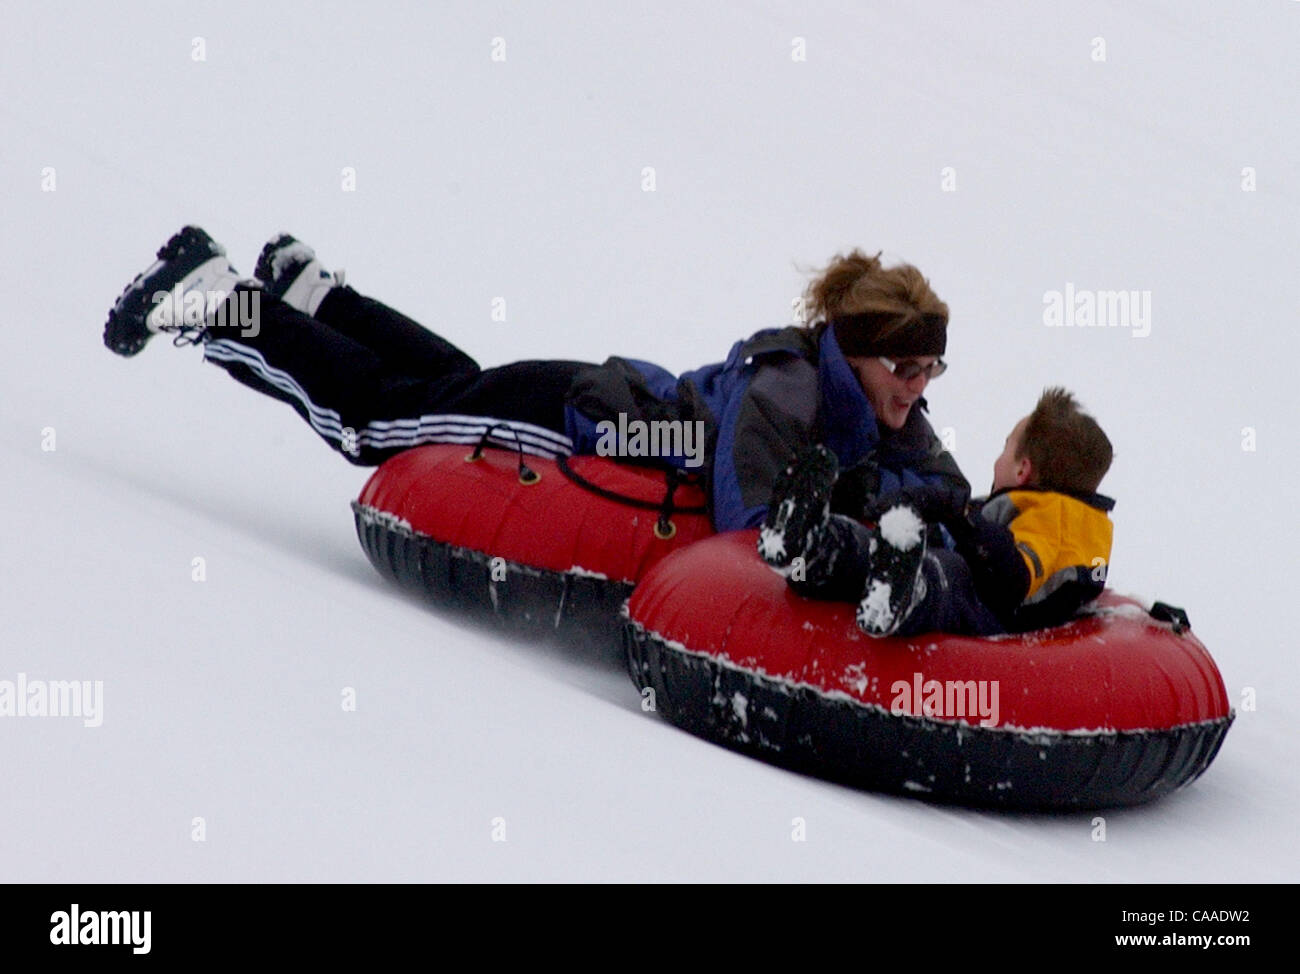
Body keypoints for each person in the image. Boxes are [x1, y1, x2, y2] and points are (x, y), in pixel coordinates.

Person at [103, 227, 969, 531]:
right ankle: (218, 302)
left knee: (449, 385)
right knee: (376, 423)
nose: (917, 387)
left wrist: (900, 499)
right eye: (902, 364)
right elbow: (750, 518)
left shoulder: (883, 415)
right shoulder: (791, 391)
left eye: (930, 368)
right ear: (853, 351)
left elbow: (944, 487)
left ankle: (314, 296)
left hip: (593, 395)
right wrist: (855, 500)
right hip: (580, 424)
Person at [760, 387, 1115, 636]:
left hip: (992, 615)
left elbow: (1013, 578)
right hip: (968, 586)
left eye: (1004, 448)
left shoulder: (1064, 522)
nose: (997, 460)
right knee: (884, 548)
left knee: (945, 576)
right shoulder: (1031, 509)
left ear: (1022, 469)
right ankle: (813, 543)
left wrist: (956, 514)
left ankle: (902, 592)